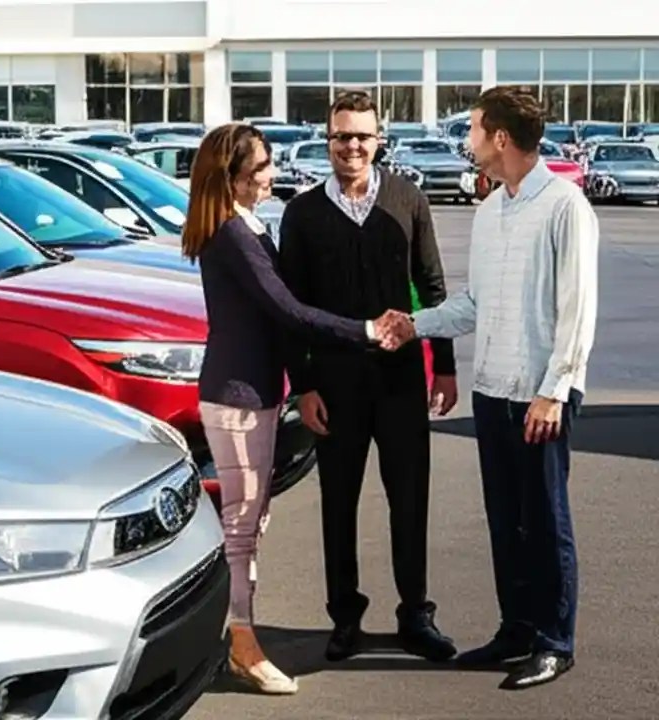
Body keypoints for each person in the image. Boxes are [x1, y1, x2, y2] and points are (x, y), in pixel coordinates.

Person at [380, 86, 598, 690]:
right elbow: (474, 304)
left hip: (540, 393)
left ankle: (555, 641)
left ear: (500, 137)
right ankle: (517, 630)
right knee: (506, 520)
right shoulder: (490, 211)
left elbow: (577, 311)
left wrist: (554, 391)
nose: (467, 140)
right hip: (493, 391)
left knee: (547, 519)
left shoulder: (564, 206)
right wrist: (414, 324)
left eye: (473, 129)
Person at [181, 122, 402, 695]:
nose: (271, 175)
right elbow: (289, 311)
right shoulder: (231, 232)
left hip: (257, 393)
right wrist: (366, 330)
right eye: (260, 168)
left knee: (249, 522)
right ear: (231, 177)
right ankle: (242, 645)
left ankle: (236, 634)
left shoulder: (247, 226)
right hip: (236, 398)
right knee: (241, 526)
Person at [276, 91, 459, 663]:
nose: (352, 146)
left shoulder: (408, 200)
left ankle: (415, 614)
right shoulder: (302, 213)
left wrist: (445, 366)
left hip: (401, 380)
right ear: (326, 140)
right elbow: (291, 310)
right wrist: (303, 386)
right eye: (341, 136)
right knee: (339, 505)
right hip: (334, 388)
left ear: (380, 140)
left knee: (409, 501)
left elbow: (433, 288)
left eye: (362, 136)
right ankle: (344, 616)